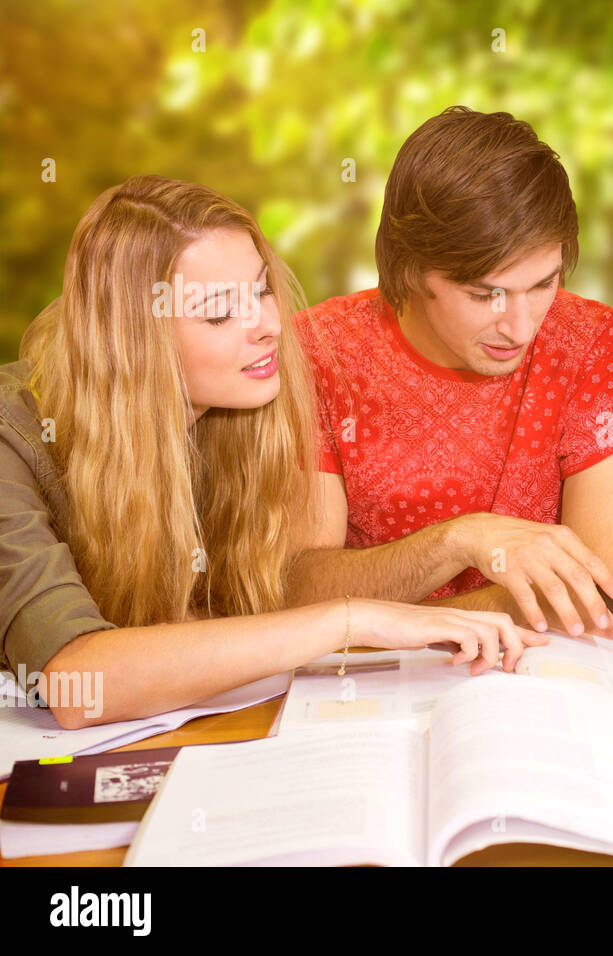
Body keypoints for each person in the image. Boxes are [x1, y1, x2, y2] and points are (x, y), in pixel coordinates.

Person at [1, 176, 539, 729]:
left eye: (260, 291)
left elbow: (230, 618)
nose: (268, 326)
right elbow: (74, 684)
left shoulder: (241, 413)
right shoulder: (12, 439)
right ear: (133, 340)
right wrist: (347, 621)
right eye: (218, 313)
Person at [287, 107, 613, 639]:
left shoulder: (595, 342)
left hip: (537, 694)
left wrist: (374, 617)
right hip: (367, 696)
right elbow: (296, 593)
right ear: (410, 269)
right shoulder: (318, 351)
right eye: (486, 295)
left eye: (543, 284)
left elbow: (605, 609)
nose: (522, 327)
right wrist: (459, 539)